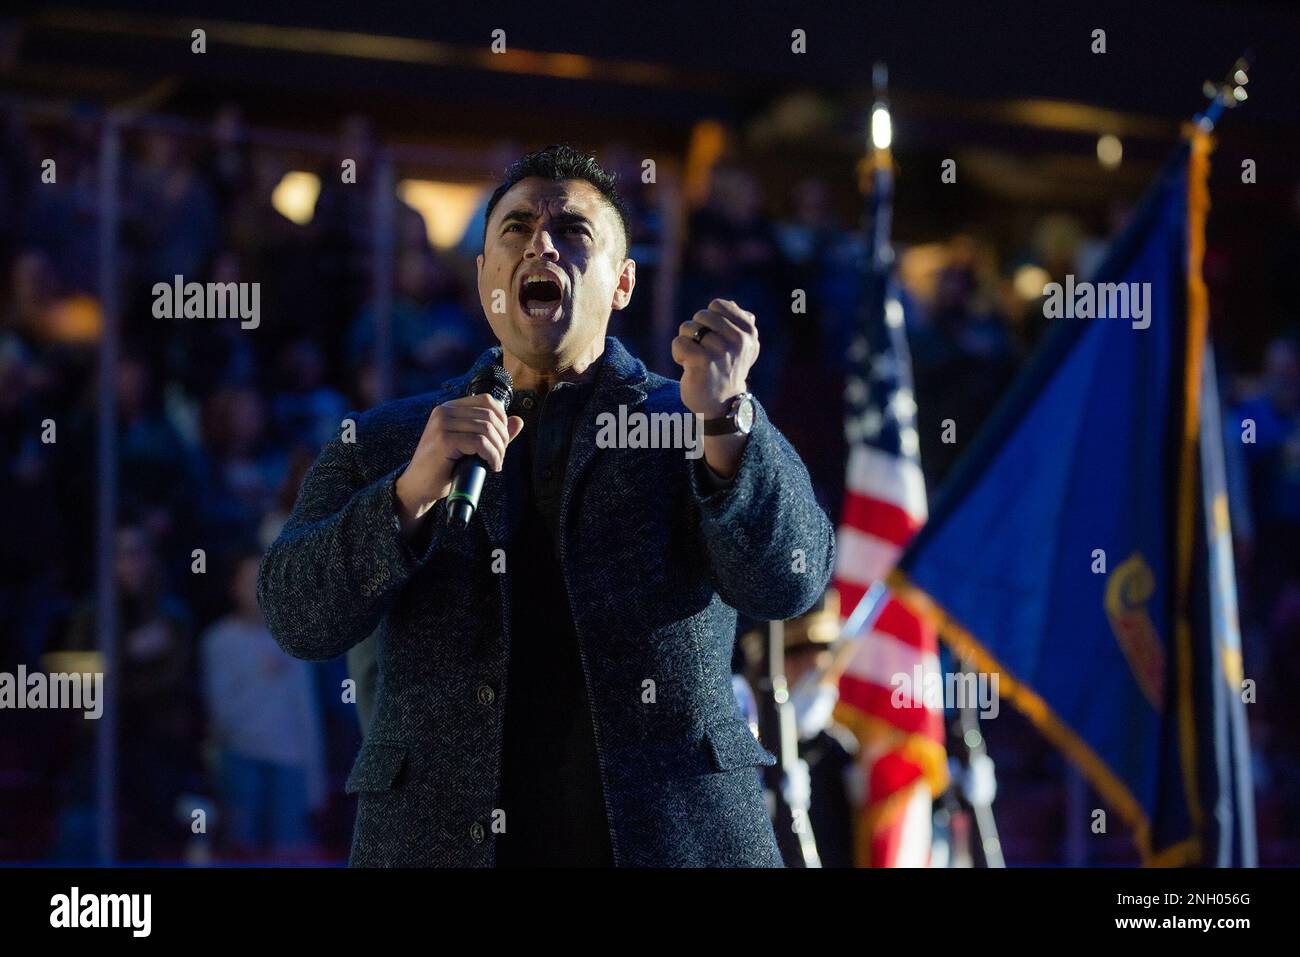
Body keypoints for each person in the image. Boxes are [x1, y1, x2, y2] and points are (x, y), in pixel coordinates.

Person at [258, 145, 834, 867]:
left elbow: (790, 579)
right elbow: (294, 614)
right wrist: (407, 497)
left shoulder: (694, 416)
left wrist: (727, 423)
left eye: (574, 233)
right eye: (518, 227)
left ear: (622, 283)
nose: (542, 243)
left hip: (673, 842)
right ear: (484, 277)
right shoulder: (389, 440)